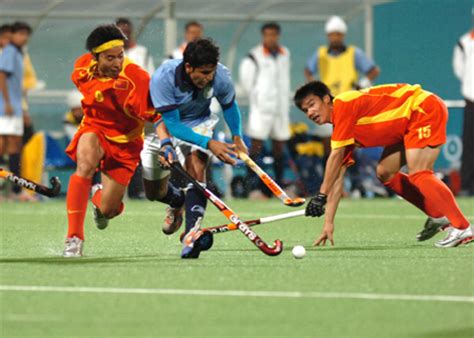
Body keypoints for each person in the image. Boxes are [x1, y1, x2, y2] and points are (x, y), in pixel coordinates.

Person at [294, 81, 473, 248]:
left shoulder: (343, 104)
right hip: (405, 126)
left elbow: (335, 156)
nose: (310, 113)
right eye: (305, 110)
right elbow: (337, 177)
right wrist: (328, 224)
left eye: (312, 104)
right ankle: (438, 215)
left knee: (419, 173)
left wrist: (320, 196)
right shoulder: (343, 129)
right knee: (385, 172)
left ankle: (462, 227)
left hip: (421, 108)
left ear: (326, 98)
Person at [63, 24, 184, 257]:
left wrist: (166, 145)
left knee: (108, 210)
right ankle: (74, 239)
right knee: (84, 165)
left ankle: (99, 194)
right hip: (94, 128)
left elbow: (157, 117)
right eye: (110, 58)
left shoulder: (136, 78)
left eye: (120, 56)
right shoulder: (81, 68)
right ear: (94, 57)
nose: (117, 63)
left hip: (126, 143)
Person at [148, 38, 248, 258]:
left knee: (197, 165)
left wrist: (237, 136)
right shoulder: (163, 78)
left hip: (199, 121)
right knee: (153, 191)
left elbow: (229, 105)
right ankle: (176, 201)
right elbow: (173, 126)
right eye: (203, 72)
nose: (208, 77)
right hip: (163, 123)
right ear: (188, 67)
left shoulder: (220, 75)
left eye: (210, 72)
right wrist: (210, 143)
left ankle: (192, 234)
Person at [239, 22, 291, 198]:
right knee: (256, 148)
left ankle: (278, 186)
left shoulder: (285, 54)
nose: (271, 38)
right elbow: (247, 83)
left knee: (279, 148)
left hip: (280, 109)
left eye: (274, 34)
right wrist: (259, 99)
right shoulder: (253, 56)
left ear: (278, 35)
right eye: (268, 34)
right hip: (261, 110)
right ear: (263, 36)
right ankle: (251, 187)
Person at [0, 21, 32, 199]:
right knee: (10, 147)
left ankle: (14, 190)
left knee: (12, 147)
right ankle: (16, 191)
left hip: (13, 107)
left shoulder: (18, 53)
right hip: (7, 109)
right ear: (12, 35)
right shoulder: (10, 51)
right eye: (19, 33)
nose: (23, 37)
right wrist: (7, 102)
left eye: (25, 34)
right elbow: (1, 75)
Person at [453, 26, 474, 196]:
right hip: (471, 101)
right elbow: (459, 68)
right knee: (469, 144)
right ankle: (467, 186)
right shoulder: (464, 42)